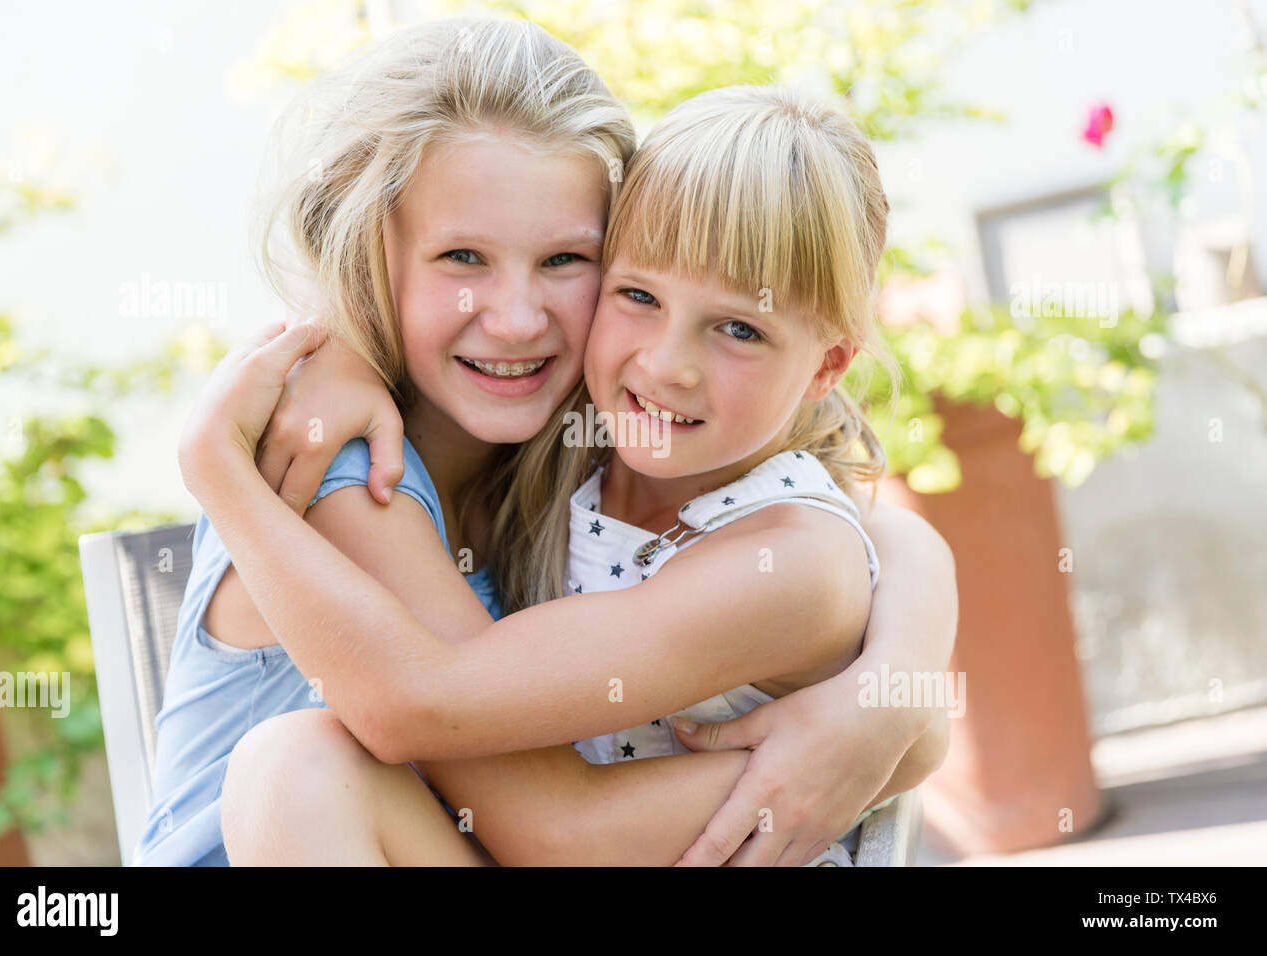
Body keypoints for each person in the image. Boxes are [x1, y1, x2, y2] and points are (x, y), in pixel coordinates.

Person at [180, 74, 956, 866]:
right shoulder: (566, 448)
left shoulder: (771, 547)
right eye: (638, 296)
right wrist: (899, 718)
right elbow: (881, 537)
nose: (668, 364)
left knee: (296, 768)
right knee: (297, 767)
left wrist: (897, 706)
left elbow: (434, 715)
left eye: (738, 328)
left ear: (828, 364)